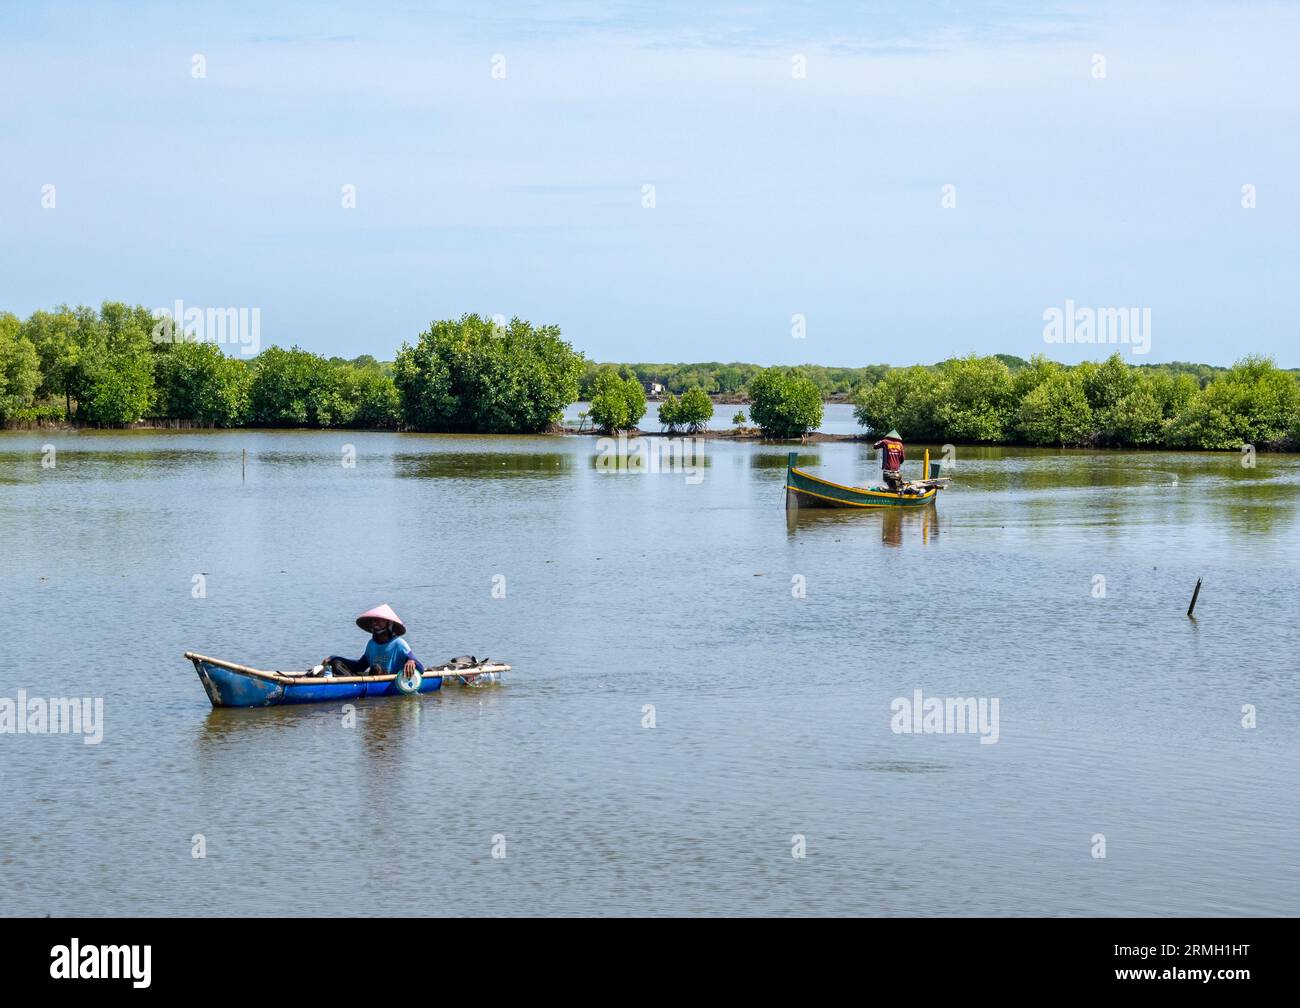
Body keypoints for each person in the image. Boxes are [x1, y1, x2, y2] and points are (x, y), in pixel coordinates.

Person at [321, 604, 423, 678]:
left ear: (389, 624)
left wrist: (411, 661)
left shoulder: (399, 644)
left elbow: (421, 669)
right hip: (372, 679)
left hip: (388, 681)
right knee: (336, 664)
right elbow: (359, 666)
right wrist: (334, 658)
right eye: (373, 621)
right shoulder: (371, 644)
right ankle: (352, 686)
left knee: (376, 668)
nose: (375, 623)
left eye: (380, 620)